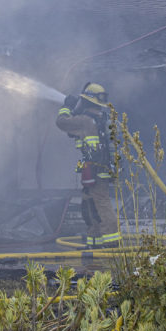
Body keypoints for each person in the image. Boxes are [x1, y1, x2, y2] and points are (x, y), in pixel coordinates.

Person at [56, 82, 120, 246]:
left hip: (95, 169)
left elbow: (62, 122)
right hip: (98, 168)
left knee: (101, 203)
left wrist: (67, 106)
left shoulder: (85, 120)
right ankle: (95, 240)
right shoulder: (101, 119)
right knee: (89, 204)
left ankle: (111, 241)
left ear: (86, 101)